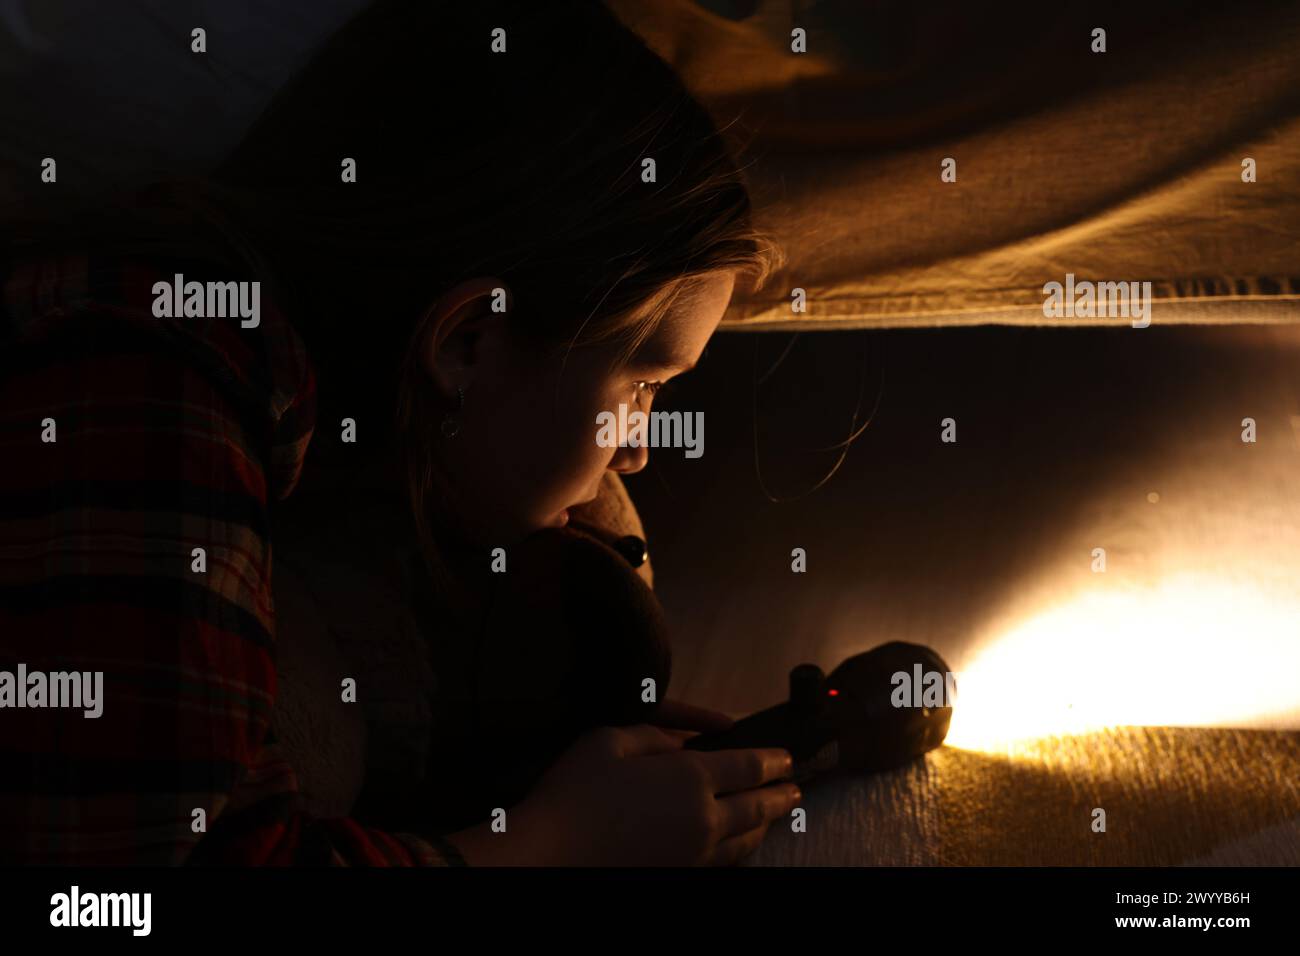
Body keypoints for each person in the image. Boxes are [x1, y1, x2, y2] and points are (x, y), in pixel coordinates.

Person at [0, 0, 798, 866]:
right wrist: (555, 845)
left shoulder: (302, 436)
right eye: (643, 385)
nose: (639, 448)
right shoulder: (141, 386)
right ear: (467, 343)